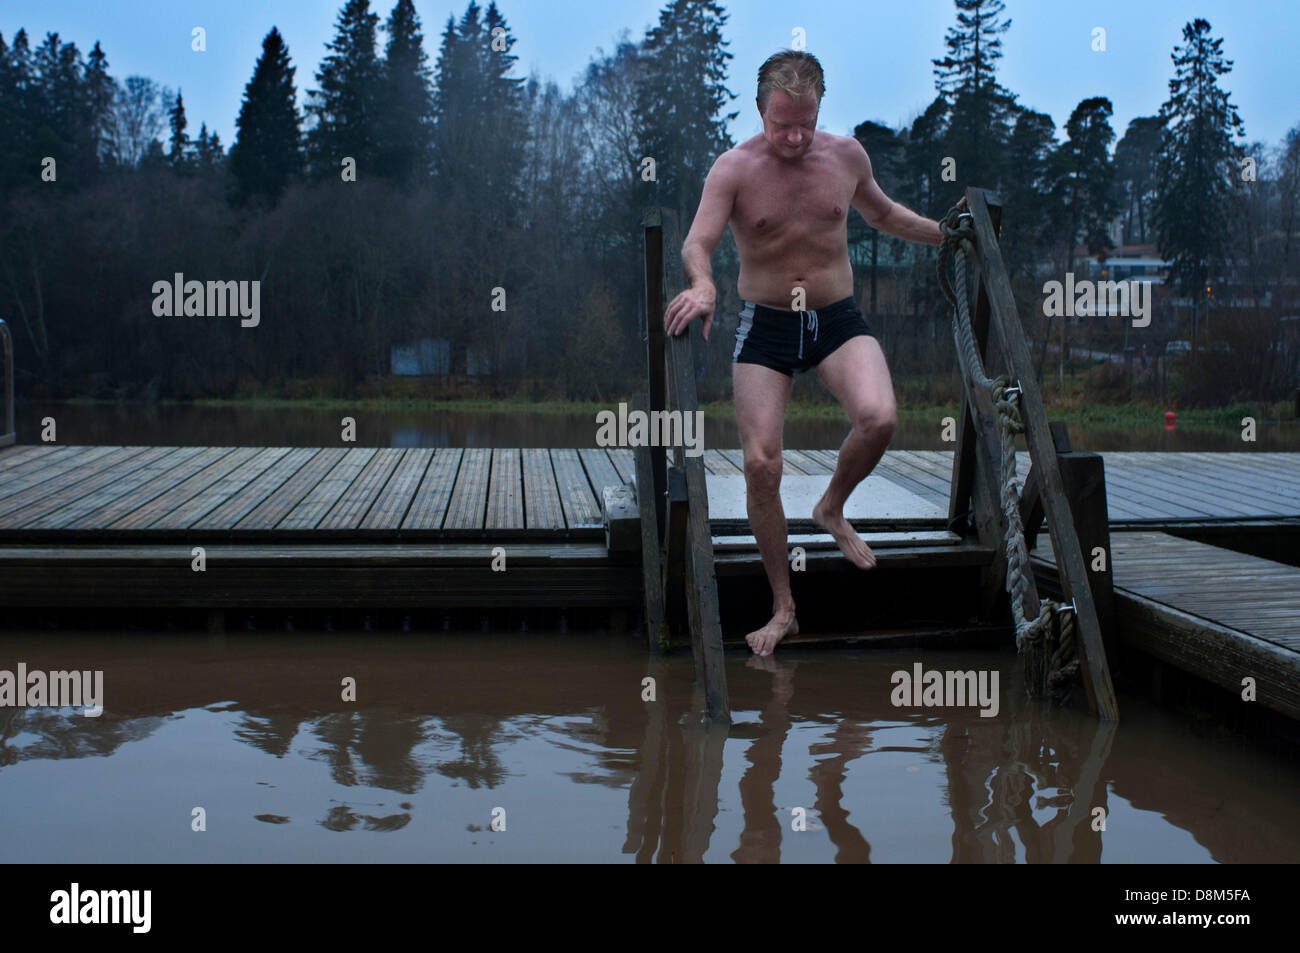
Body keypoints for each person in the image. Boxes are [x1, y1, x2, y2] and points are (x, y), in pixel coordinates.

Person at [663, 50, 948, 656]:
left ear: (820, 108)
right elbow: (698, 241)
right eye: (781, 123)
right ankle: (784, 606)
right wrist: (704, 284)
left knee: (879, 418)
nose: (794, 137)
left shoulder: (846, 156)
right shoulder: (733, 168)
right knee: (762, 464)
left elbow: (886, 213)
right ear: (759, 109)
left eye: (806, 122)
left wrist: (951, 234)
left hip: (836, 319)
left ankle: (831, 507)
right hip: (765, 326)